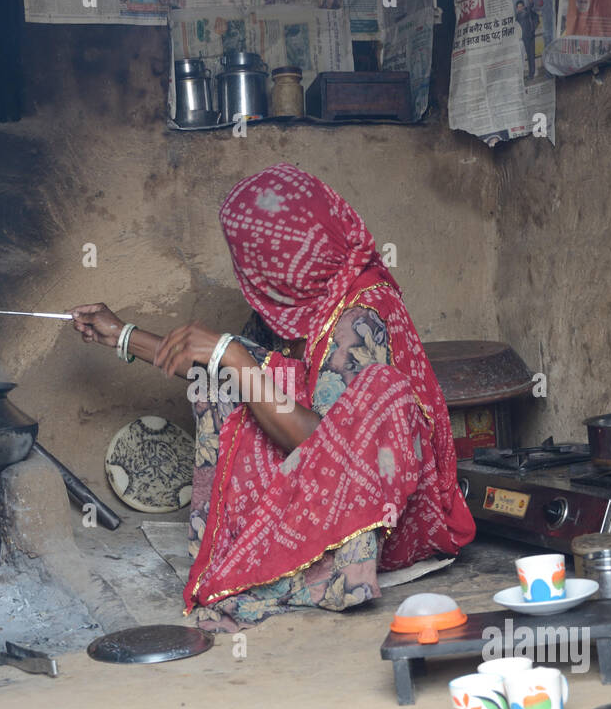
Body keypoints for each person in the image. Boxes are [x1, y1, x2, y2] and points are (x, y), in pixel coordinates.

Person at [68, 164, 475, 631]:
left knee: (274, 374)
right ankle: (266, 544)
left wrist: (235, 358)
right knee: (234, 374)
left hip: (391, 520)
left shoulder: (361, 315)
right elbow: (223, 364)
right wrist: (121, 334)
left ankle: (327, 575)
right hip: (321, 492)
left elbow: (330, 448)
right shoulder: (294, 302)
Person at [515, 0, 540, 79]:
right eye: (518, 7)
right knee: (521, 58)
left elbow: (532, 4)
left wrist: (533, 30)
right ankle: (523, 75)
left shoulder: (527, 12)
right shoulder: (516, 17)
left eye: (521, 6)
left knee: (531, 57)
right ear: (516, 8)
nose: (520, 8)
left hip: (529, 38)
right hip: (521, 41)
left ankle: (531, 75)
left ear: (523, 6)